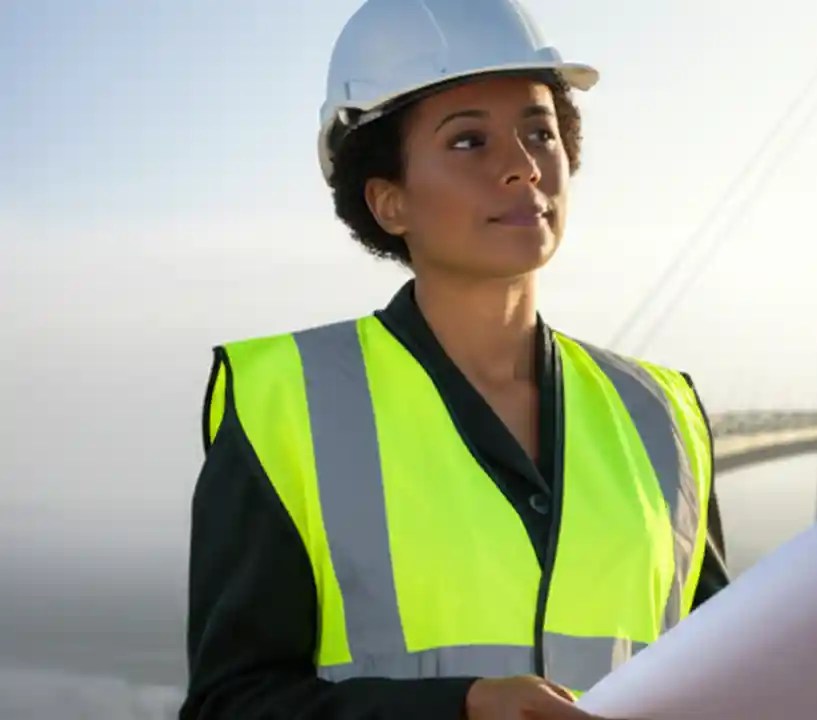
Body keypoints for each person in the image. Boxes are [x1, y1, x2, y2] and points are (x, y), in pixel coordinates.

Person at [179, 0, 731, 718]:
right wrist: (459, 709)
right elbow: (230, 705)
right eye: (469, 141)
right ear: (390, 202)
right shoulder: (283, 403)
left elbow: (728, 676)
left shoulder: (664, 415)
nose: (524, 167)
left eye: (540, 132)